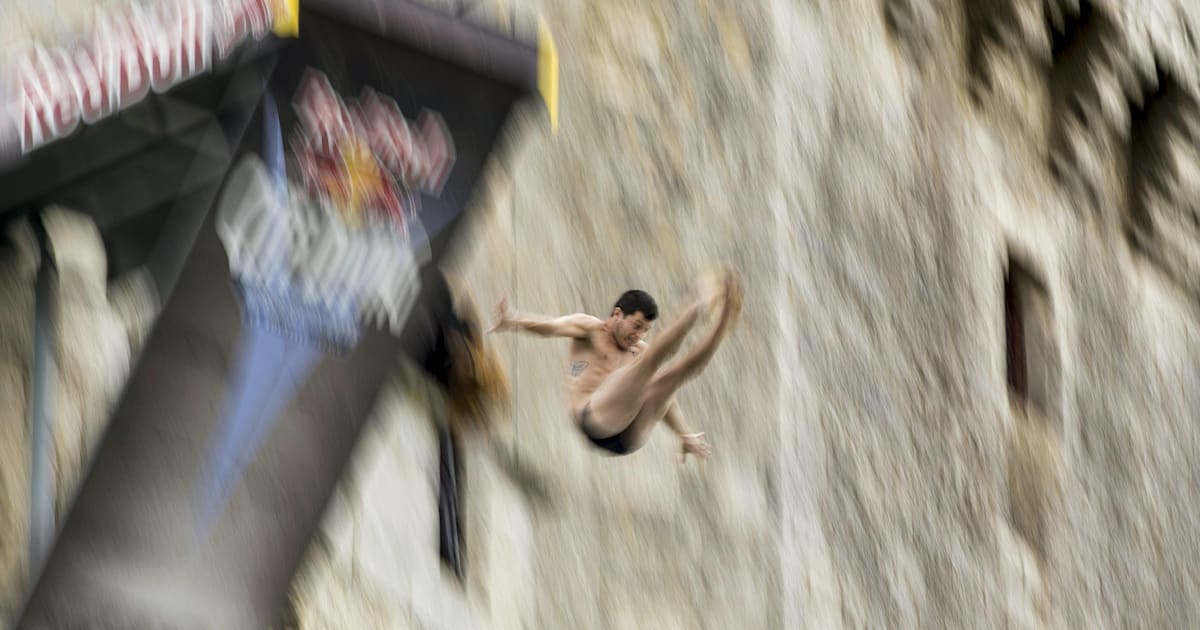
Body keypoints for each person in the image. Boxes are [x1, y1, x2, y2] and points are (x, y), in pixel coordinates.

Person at [487, 271, 742, 460]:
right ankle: (697, 306)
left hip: (629, 437)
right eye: (637, 326)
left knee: (677, 373)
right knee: (652, 360)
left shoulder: (638, 350)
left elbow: (667, 398)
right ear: (617, 314)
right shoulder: (590, 329)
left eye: (645, 330)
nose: (638, 335)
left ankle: (723, 321)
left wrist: (683, 435)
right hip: (593, 418)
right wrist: (514, 320)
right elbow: (551, 327)